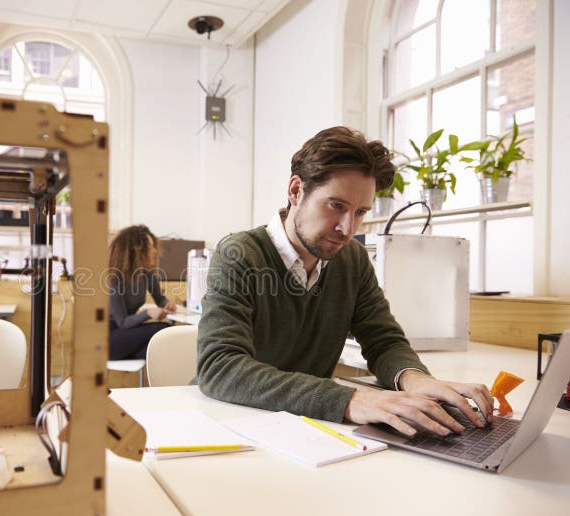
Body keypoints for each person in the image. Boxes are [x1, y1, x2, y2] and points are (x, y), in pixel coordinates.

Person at [197, 126, 494, 438]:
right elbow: (220, 367)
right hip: (230, 424)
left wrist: (415, 379)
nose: (347, 228)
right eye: (336, 206)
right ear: (296, 190)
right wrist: (350, 400)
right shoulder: (240, 254)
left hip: (307, 429)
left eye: (360, 212)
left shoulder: (352, 259)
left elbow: (384, 341)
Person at [108, 225, 177, 361]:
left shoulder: (147, 274)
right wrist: (148, 313)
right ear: (135, 251)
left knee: (163, 343)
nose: (155, 251)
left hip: (127, 334)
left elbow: (160, 299)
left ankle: (132, 354)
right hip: (108, 339)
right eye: (150, 247)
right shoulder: (114, 279)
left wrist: (167, 304)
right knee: (163, 331)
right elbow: (122, 322)